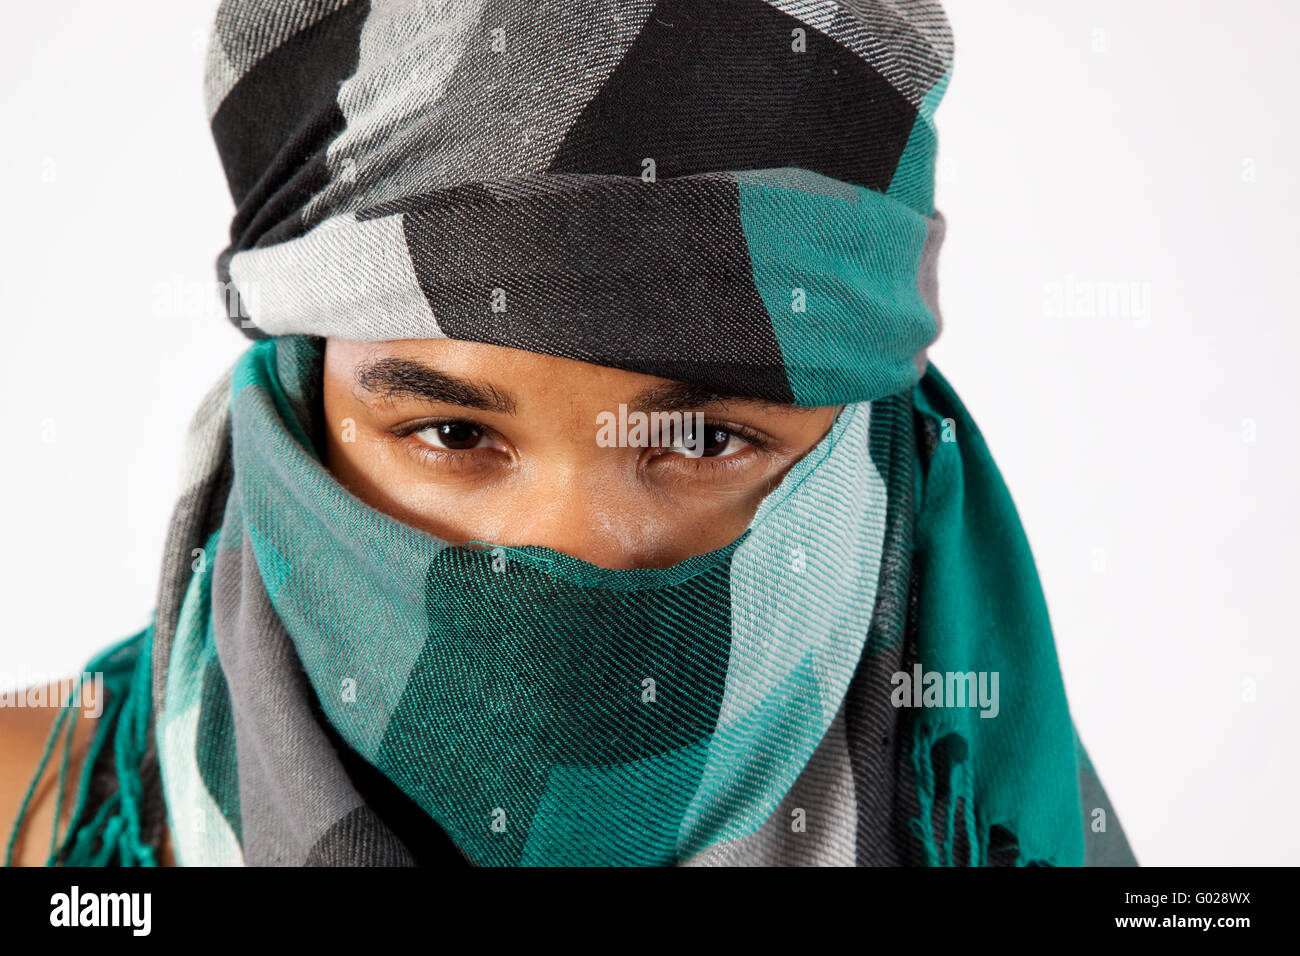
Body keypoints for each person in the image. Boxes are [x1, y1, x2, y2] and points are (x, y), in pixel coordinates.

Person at [4, 0, 1136, 867]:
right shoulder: (29, 805)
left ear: (865, 445)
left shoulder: (983, 813)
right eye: (448, 431)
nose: (570, 552)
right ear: (301, 397)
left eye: (703, 440)